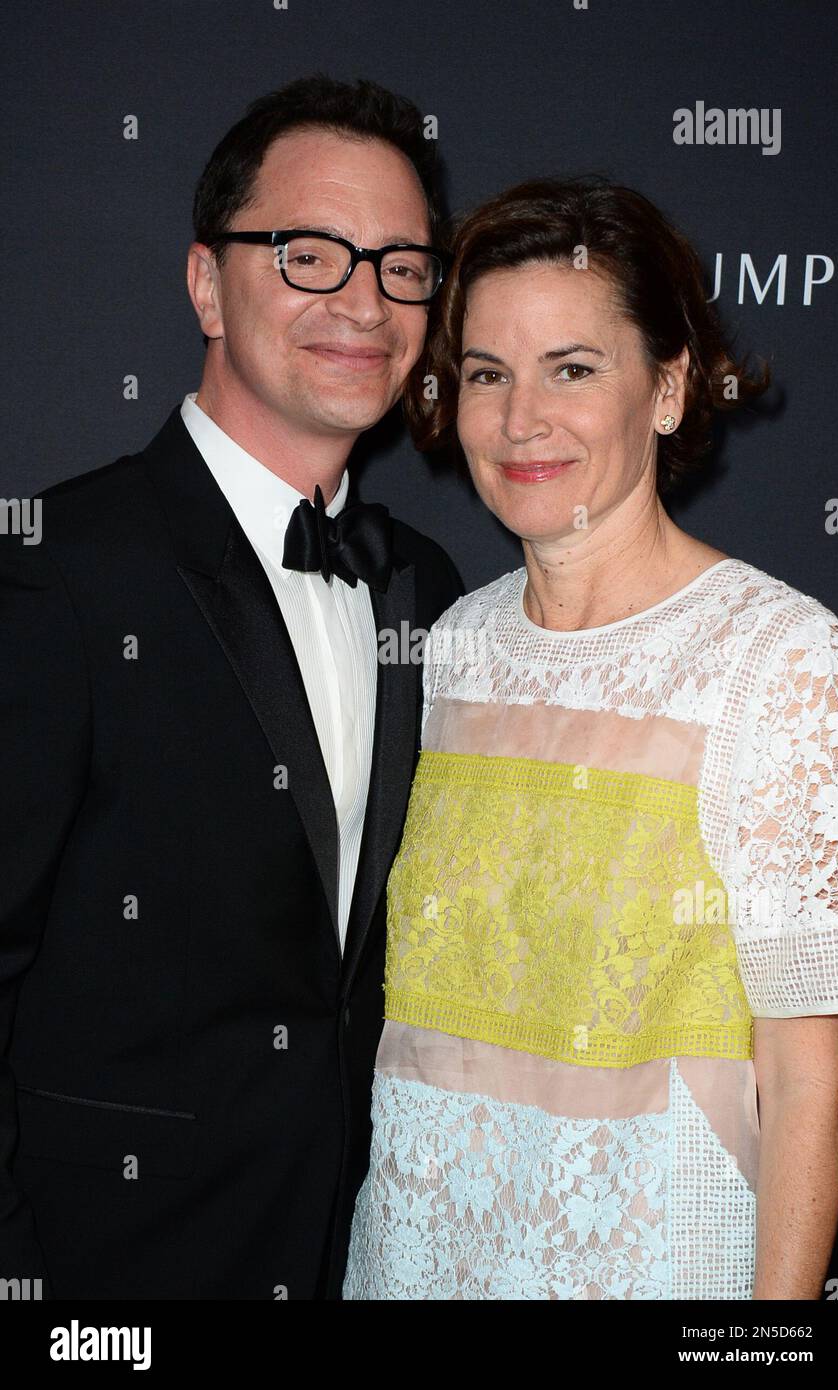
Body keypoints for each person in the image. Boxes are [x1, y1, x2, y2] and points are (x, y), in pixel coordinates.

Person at [342, 177, 838, 1300]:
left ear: (668, 387)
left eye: (571, 369)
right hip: (412, 1260)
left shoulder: (775, 658)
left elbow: (804, 1076)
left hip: (655, 1268)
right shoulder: (451, 646)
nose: (519, 419)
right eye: (486, 373)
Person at [0, 74, 463, 1300]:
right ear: (207, 282)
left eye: (400, 265)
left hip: (354, 1255)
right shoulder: (61, 570)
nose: (361, 301)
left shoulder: (423, 584)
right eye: (308, 254)